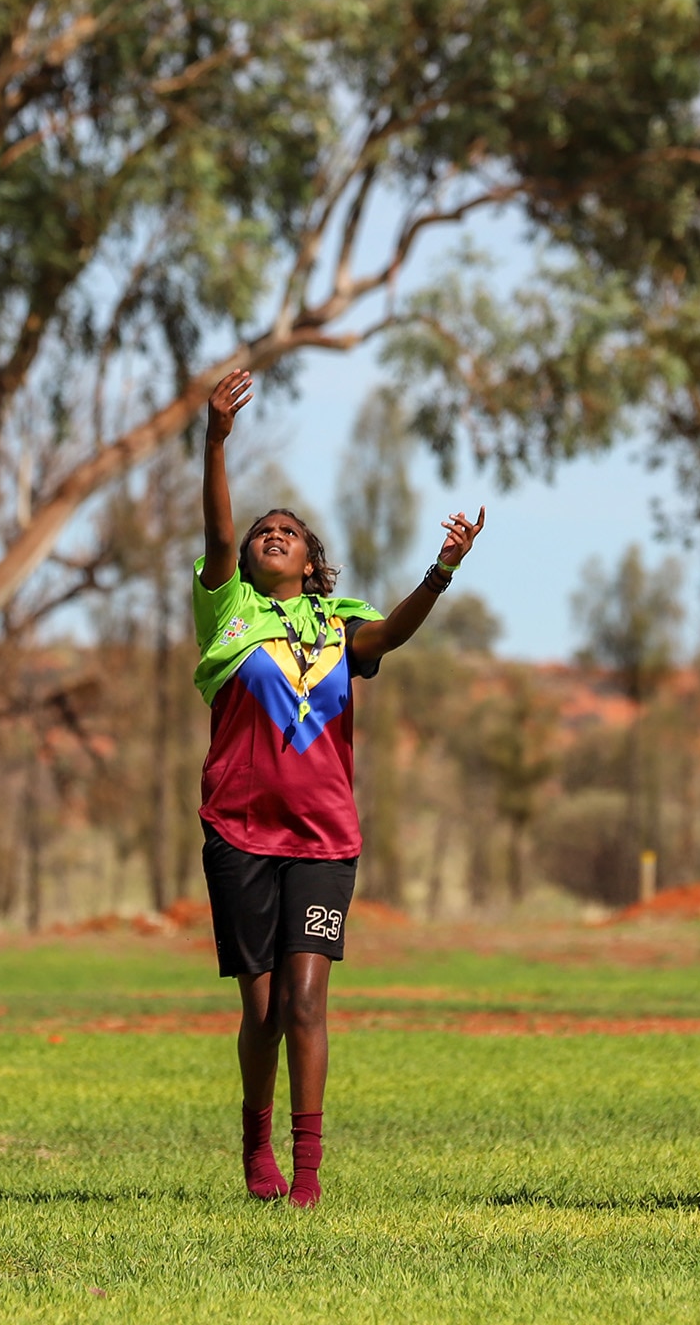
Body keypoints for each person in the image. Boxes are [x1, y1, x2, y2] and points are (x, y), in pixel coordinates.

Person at [193, 368, 483, 1208]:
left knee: (309, 1000)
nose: (271, 534)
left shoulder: (340, 624)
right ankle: (256, 1149)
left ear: (315, 559)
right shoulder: (228, 611)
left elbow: (391, 631)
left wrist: (441, 569)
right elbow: (215, 532)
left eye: (289, 530)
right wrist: (216, 439)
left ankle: (309, 1176)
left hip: (324, 837)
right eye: (261, 531)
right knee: (263, 1013)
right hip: (240, 831)